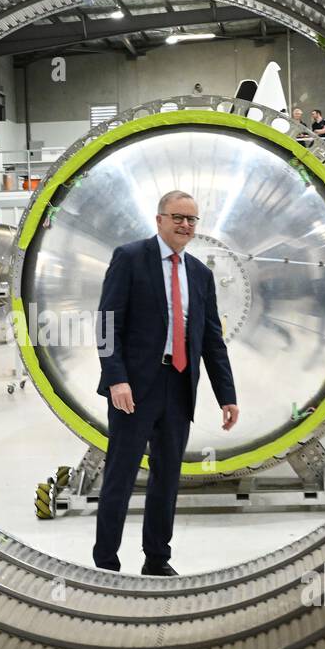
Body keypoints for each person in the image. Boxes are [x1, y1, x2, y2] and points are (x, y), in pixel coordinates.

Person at [93, 191, 239, 575]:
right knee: (120, 475)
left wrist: (226, 395)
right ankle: (105, 564)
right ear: (159, 220)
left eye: (191, 219)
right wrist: (116, 379)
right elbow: (107, 324)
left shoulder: (200, 274)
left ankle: (157, 560)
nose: (185, 225)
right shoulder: (130, 258)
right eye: (178, 217)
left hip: (178, 386)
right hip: (134, 389)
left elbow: (211, 340)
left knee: (167, 478)